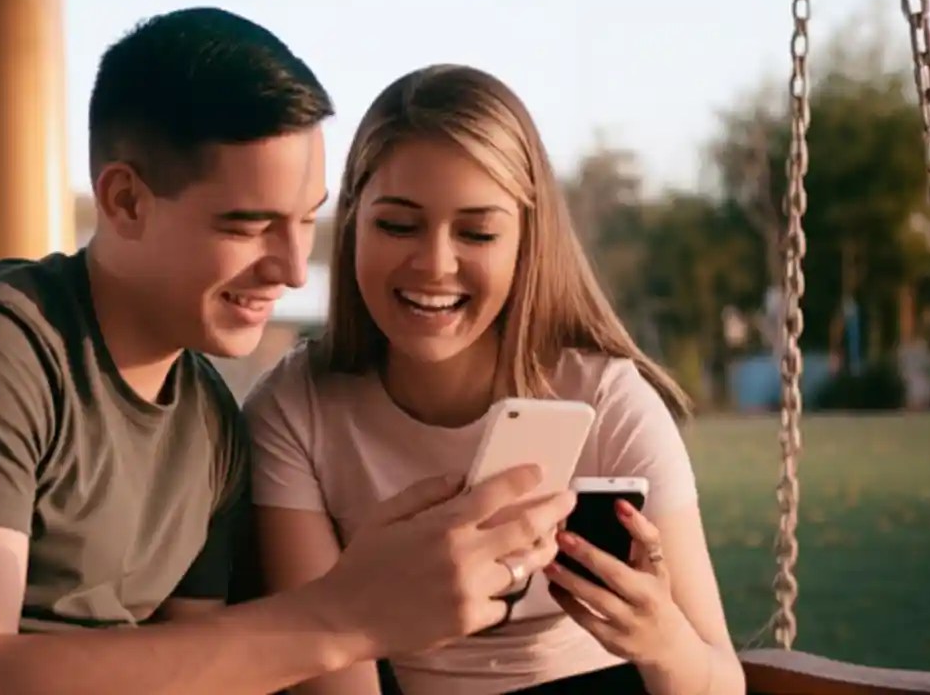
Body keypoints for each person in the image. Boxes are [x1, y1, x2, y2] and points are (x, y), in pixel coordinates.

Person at [0, 9, 574, 695]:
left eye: (304, 222)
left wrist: (363, 602)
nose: (287, 269)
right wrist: (342, 615)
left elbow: (207, 666)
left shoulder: (208, 420)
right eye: (246, 226)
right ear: (126, 200)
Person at [245, 64, 746, 694]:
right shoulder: (295, 411)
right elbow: (335, 679)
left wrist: (663, 642)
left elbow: (721, 681)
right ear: (352, 226)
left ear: (525, 242)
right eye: (397, 224)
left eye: (477, 232)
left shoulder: (609, 401)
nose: (434, 264)